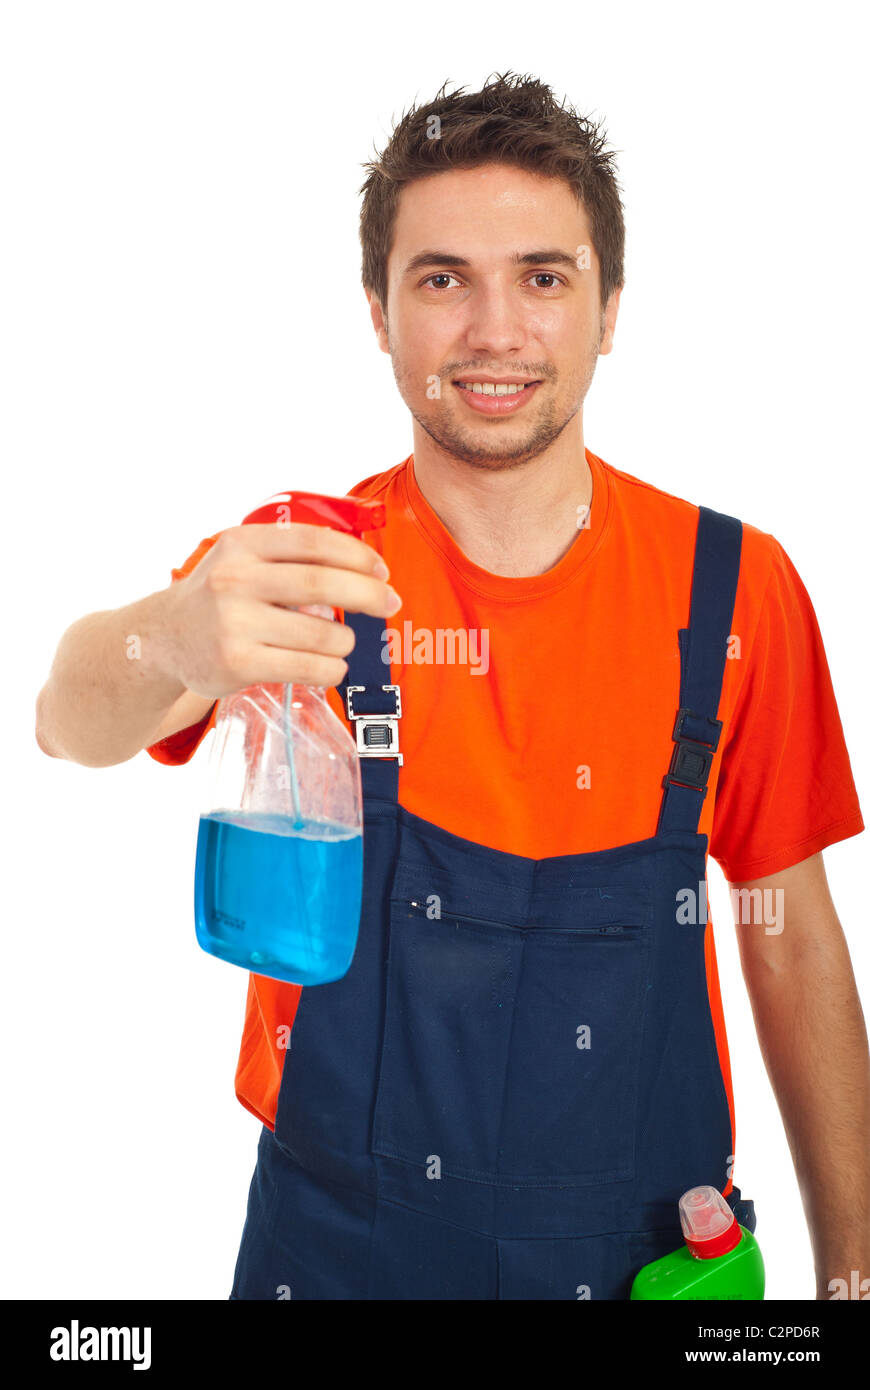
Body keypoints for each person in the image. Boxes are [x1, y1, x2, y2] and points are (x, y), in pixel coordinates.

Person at [35, 72, 868, 1301]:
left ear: (610, 305)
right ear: (378, 310)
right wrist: (175, 633)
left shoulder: (734, 588)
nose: (494, 331)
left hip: (647, 1254)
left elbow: (788, 937)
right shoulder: (302, 561)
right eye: (441, 279)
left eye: (543, 275)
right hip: (332, 1249)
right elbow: (64, 721)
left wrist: (853, 1273)